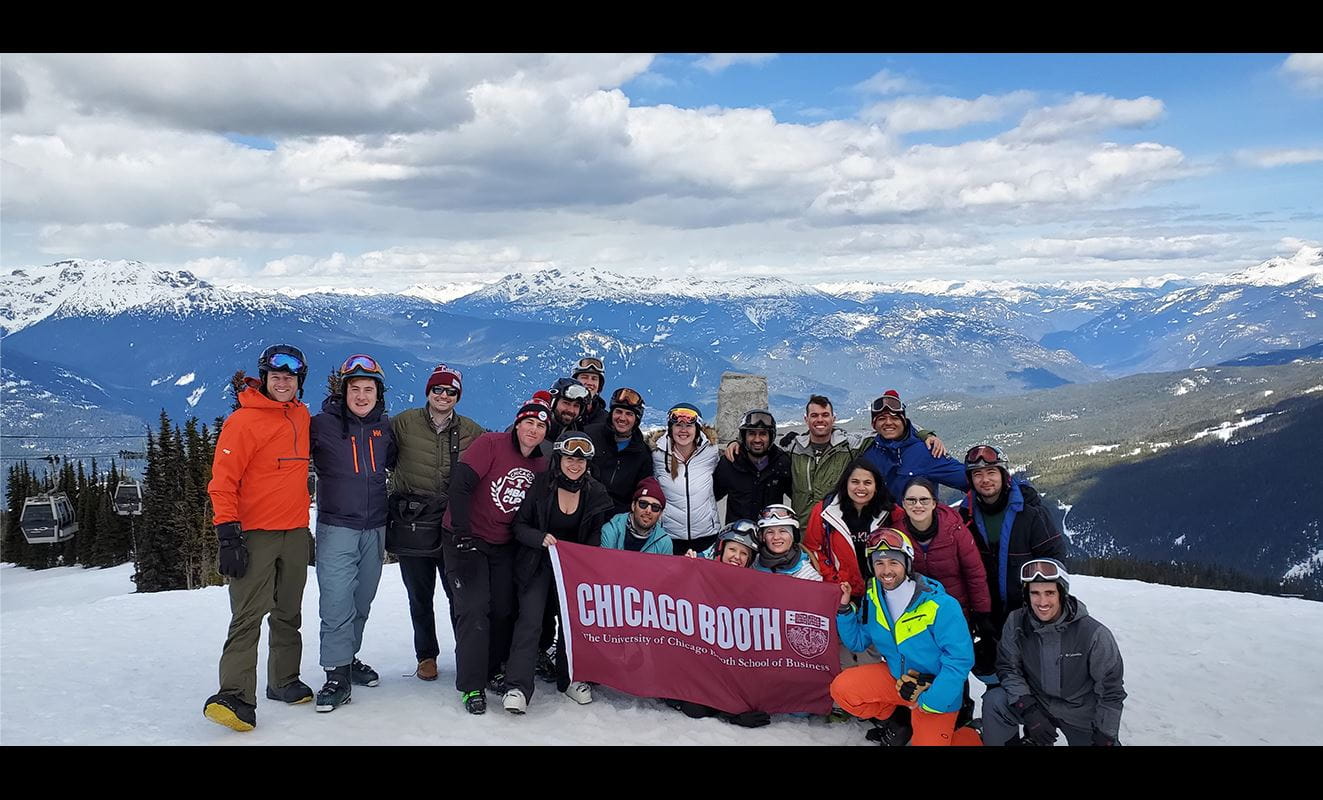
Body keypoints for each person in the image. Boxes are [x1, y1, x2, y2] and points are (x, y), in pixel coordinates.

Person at [203, 344, 314, 732]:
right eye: (276, 376)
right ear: (264, 379)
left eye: (290, 377)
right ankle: (234, 695)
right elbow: (222, 481)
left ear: (300, 382)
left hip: (295, 531)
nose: (283, 383)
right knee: (249, 614)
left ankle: (283, 680)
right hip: (254, 534)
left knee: (288, 611)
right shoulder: (243, 422)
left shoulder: (301, 415)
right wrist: (228, 535)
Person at [441, 392, 550, 714]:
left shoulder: (540, 464)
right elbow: (461, 484)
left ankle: (492, 669)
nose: (533, 430)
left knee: (503, 609)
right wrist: (462, 532)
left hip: (503, 543)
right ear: (517, 424)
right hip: (467, 538)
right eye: (528, 422)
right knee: (474, 609)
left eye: (540, 426)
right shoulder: (491, 444)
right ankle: (471, 685)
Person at [308, 354, 398, 711]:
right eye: (355, 389)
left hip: (375, 526)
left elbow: (399, 463)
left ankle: (348, 658)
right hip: (336, 526)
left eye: (368, 389)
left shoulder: (385, 428)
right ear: (343, 392)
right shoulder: (321, 425)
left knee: (362, 600)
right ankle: (336, 675)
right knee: (336, 601)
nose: (362, 396)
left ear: (379, 394)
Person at [831, 528, 975, 746]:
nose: (886, 570)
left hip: (934, 689)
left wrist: (927, 701)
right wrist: (844, 609)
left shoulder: (941, 605)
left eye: (893, 562)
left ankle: (969, 734)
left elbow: (960, 660)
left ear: (907, 563)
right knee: (843, 690)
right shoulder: (873, 598)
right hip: (897, 681)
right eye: (879, 563)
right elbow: (858, 642)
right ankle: (900, 719)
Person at [387, 364, 485, 683]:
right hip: (413, 523)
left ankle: (465, 653)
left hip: (452, 523)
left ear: (458, 396)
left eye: (451, 391)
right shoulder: (403, 423)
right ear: (428, 391)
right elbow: (378, 448)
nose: (444, 396)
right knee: (419, 595)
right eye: (438, 389)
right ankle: (426, 655)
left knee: (459, 595)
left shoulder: (471, 430)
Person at [506, 431, 615, 713]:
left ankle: (571, 678)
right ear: (559, 459)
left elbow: (595, 534)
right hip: (537, 563)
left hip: (572, 568)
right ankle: (517, 686)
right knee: (530, 621)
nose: (575, 465)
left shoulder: (595, 492)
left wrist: (584, 556)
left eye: (581, 461)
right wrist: (539, 537)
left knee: (572, 623)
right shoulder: (541, 485)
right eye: (569, 459)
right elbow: (519, 526)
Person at [982, 559, 1126, 747]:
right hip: (1038, 703)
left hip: (1082, 715)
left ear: (1062, 593)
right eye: (1035, 593)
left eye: (1049, 593)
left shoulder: (1094, 634)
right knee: (995, 702)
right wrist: (1027, 708)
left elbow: (1110, 689)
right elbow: (1008, 668)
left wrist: (1105, 734)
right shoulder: (1016, 622)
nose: (1042, 602)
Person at [959, 443, 1068, 681]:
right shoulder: (966, 516)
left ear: (1003, 475)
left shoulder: (1029, 512)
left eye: (991, 472)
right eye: (977, 474)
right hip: (989, 617)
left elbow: (1053, 560)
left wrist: (1042, 606)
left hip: (1028, 612)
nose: (985, 480)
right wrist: (977, 613)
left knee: (1035, 676)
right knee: (994, 677)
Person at [890, 476, 991, 725]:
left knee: (954, 661)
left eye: (924, 500)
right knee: (918, 660)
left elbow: (974, 573)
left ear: (935, 502)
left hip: (954, 613)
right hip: (914, 615)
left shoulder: (954, 530)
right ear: (903, 503)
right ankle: (916, 712)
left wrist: (981, 613)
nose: (918, 505)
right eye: (911, 500)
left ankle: (960, 714)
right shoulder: (897, 533)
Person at [803, 459, 894, 602]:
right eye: (855, 482)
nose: (861, 488)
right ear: (845, 484)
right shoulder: (824, 511)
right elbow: (813, 549)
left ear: (876, 486)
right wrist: (835, 580)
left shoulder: (890, 512)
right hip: (840, 589)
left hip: (881, 589)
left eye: (867, 483)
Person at [859, 390, 967, 500]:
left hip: (916, 511)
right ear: (874, 425)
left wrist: (967, 507)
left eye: (895, 418)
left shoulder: (927, 451)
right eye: (881, 419)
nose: (888, 423)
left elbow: (968, 480)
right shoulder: (868, 453)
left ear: (904, 421)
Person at [648, 403, 721, 555]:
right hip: (669, 536)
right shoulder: (656, 453)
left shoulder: (711, 451)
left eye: (689, 425)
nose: (683, 430)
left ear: (697, 429)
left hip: (706, 535)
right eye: (678, 425)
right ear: (670, 428)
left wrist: (734, 444)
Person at [584, 387, 654, 516]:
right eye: (618, 412)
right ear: (611, 414)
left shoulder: (642, 454)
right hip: (584, 511)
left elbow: (640, 494)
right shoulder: (590, 435)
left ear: (636, 419)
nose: (622, 418)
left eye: (629, 414)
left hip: (616, 519)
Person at [714, 409, 792, 523]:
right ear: (743, 437)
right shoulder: (730, 462)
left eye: (763, 434)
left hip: (770, 530)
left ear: (771, 437)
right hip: (738, 532)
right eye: (751, 433)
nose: (757, 439)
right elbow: (710, 498)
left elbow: (799, 497)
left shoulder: (782, 463)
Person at [599, 477, 672, 555]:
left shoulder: (665, 542)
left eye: (655, 507)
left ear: (660, 513)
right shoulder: (611, 530)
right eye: (643, 504)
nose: (648, 511)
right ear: (633, 505)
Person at [751, 504, 822, 580]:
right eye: (770, 532)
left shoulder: (808, 575)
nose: (776, 537)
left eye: (783, 531)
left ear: (793, 536)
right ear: (763, 537)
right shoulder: (755, 563)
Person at [571, 356, 609, 427]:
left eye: (594, 379)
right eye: (584, 377)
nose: (589, 383)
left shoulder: (606, 420)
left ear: (599, 385)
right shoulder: (563, 413)